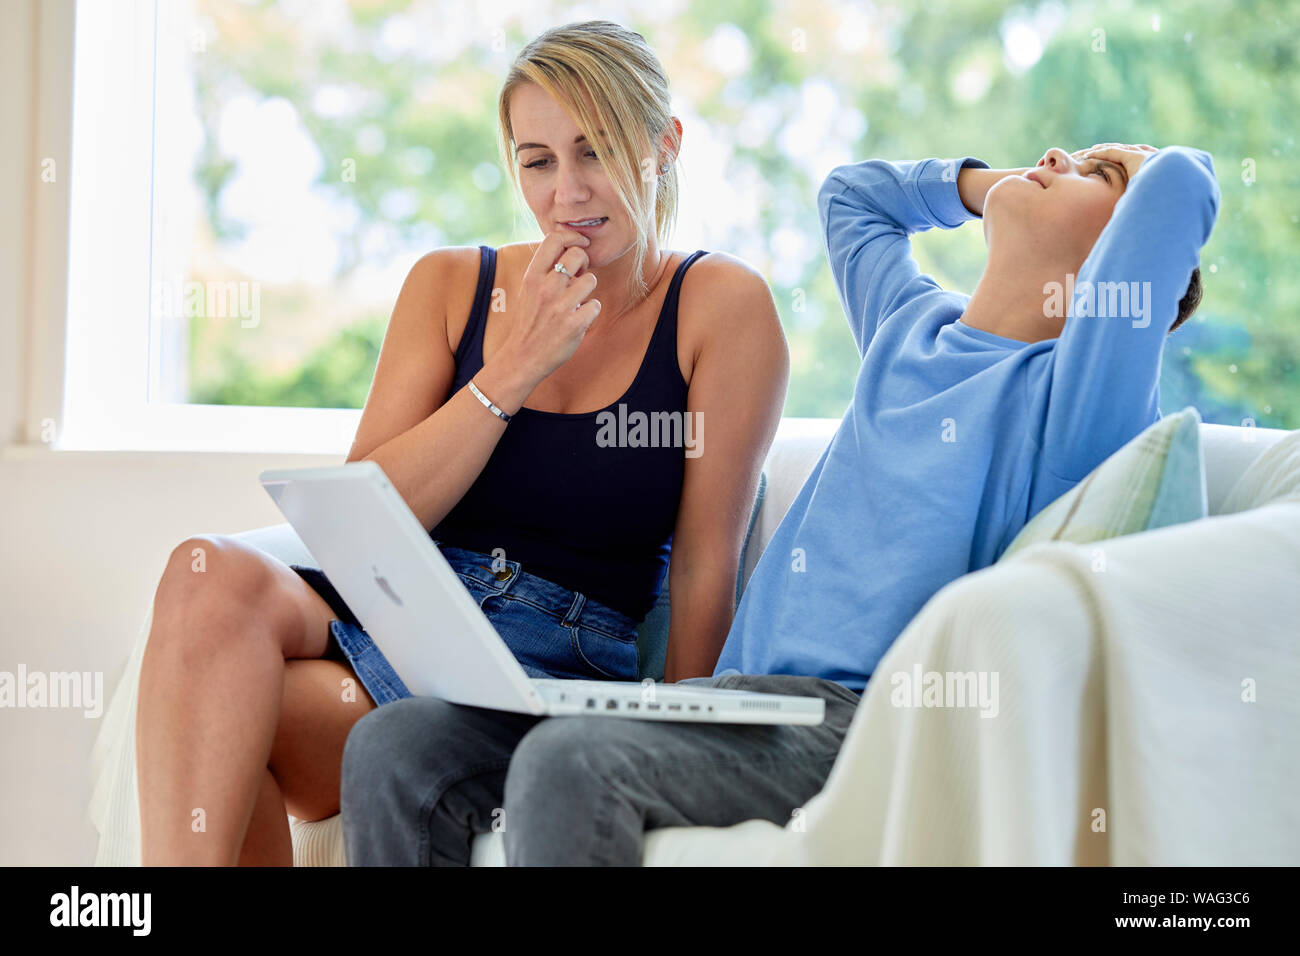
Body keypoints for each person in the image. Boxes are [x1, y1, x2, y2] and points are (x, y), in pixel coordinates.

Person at [342, 138, 1219, 865]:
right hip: (739, 704)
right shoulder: (909, 328)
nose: (1057, 154)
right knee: (399, 746)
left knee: (579, 767)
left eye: (1099, 174)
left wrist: (1119, 179)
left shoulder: (1074, 398)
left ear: (1122, 261)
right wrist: (990, 186)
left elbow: (1183, 186)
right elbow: (852, 197)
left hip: (860, 723)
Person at [133, 19, 787, 866]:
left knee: (235, 731)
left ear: (664, 145)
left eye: (597, 151)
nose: (568, 194)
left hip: (543, 662)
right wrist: (508, 374)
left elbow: (706, 565)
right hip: (403, 610)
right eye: (538, 160)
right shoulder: (451, 285)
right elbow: (361, 516)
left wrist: (679, 758)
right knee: (206, 572)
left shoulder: (719, 306)